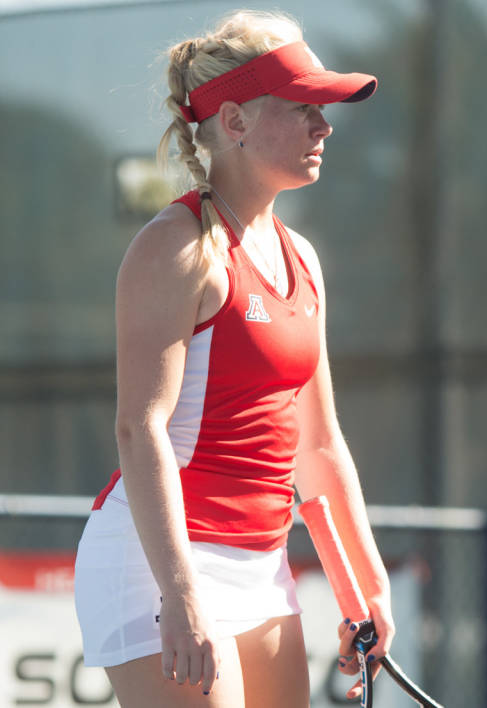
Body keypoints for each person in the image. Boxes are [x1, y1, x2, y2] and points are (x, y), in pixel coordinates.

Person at [73, 10, 392, 706]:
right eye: (303, 108)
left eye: (323, 110)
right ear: (236, 122)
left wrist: (365, 584)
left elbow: (320, 442)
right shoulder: (176, 245)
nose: (324, 127)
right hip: (156, 559)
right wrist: (181, 593)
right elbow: (141, 428)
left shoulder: (302, 257)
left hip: (260, 564)